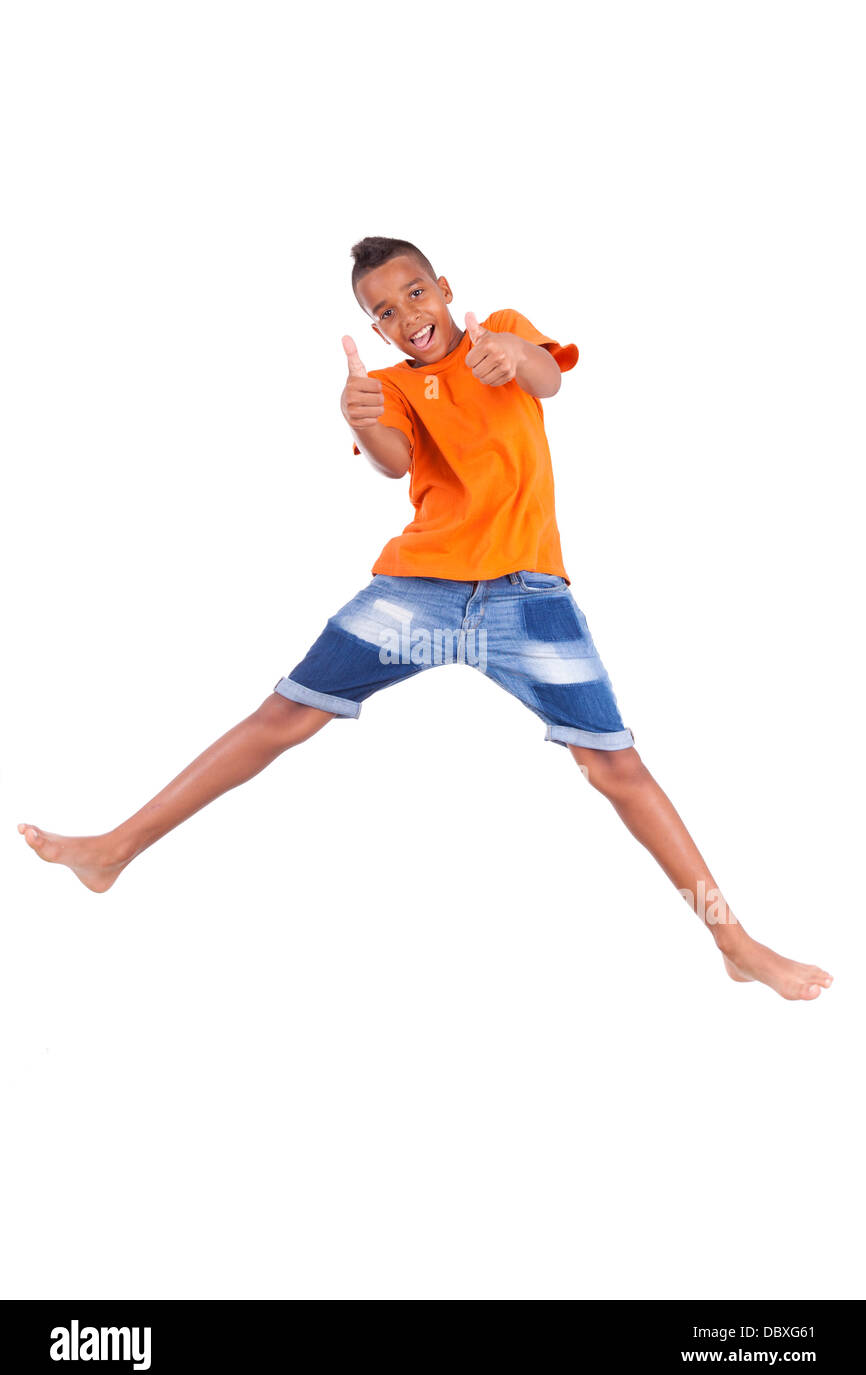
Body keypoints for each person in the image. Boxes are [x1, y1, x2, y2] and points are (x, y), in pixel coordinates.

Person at [18, 235, 832, 1002]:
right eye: (384, 311)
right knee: (283, 717)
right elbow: (393, 463)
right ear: (374, 326)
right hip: (421, 592)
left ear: (445, 290)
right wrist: (360, 416)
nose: (407, 315)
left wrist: (512, 356)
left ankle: (734, 942)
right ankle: (113, 849)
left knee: (618, 768)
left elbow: (547, 377)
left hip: (528, 599)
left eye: (416, 293)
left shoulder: (503, 334)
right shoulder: (394, 387)